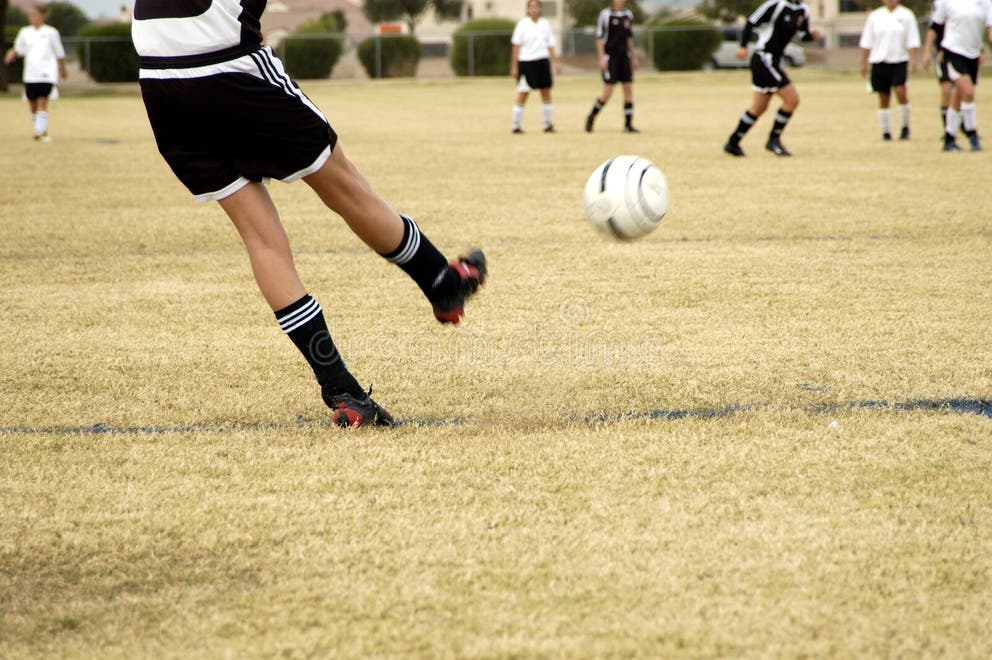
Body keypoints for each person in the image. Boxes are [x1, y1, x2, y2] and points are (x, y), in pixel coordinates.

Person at [130, 0, 487, 428]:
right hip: (229, 66)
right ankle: (441, 281)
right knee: (346, 187)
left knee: (260, 238)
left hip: (161, 85)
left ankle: (343, 391)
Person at [722, 0, 822, 157]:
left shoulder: (803, 10)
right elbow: (751, 22)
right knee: (792, 99)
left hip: (774, 60)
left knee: (759, 107)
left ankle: (733, 143)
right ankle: (773, 140)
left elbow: (803, 35)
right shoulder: (776, 5)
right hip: (764, 58)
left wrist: (812, 35)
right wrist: (743, 46)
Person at [922, 0, 992, 151]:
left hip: (973, 53)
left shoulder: (985, 2)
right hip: (953, 51)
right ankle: (972, 134)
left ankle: (949, 138)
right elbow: (934, 26)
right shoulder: (946, 2)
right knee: (968, 92)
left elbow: (990, 26)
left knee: (958, 95)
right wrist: (927, 51)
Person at [3, 4, 67, 142]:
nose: (33, 17)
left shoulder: (51, 32)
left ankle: (39, 131)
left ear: (43, 15)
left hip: (46, 73)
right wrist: (11, 53)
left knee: (42, 101)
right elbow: (18, 49)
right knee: (32, 105)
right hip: (30, 74)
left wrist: (63, 69)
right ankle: (41, 129)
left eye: (35, 14)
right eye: (30, 15)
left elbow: (59, 53)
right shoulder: (25, 32)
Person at [859, 0, 921, 141]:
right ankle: (886, 131)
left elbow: (912, 40)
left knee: (901, 92)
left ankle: (905, 126)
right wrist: (863, 63)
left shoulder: (906, 15)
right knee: (883, 97)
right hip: (879, 61)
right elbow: (867, 41)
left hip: (899, 60)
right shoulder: (875, 16)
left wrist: (912, 60)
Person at [584, 0, 639, 133]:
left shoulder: (628, 15)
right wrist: (602, 58)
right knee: (607, 92)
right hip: (611, 57)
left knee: (628, 90)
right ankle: (591, 116)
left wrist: (633, 56)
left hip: (624, 57)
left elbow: (629, 38)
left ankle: (628, 125)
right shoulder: (605, 15)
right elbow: (599, 37)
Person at [510, 0, 561, 134]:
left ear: (540, 9)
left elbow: (550, 45)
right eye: (531, 7)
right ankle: (515, 125)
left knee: (546, 92)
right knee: (523, 92)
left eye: (536, 7)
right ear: (528, 9)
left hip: (542, 61)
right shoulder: (522, 24)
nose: (534, 10)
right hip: (526, 62)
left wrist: (556, 62)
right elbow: (516, 46)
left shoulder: (545, 24)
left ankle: (547, 124)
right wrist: (514, 66)